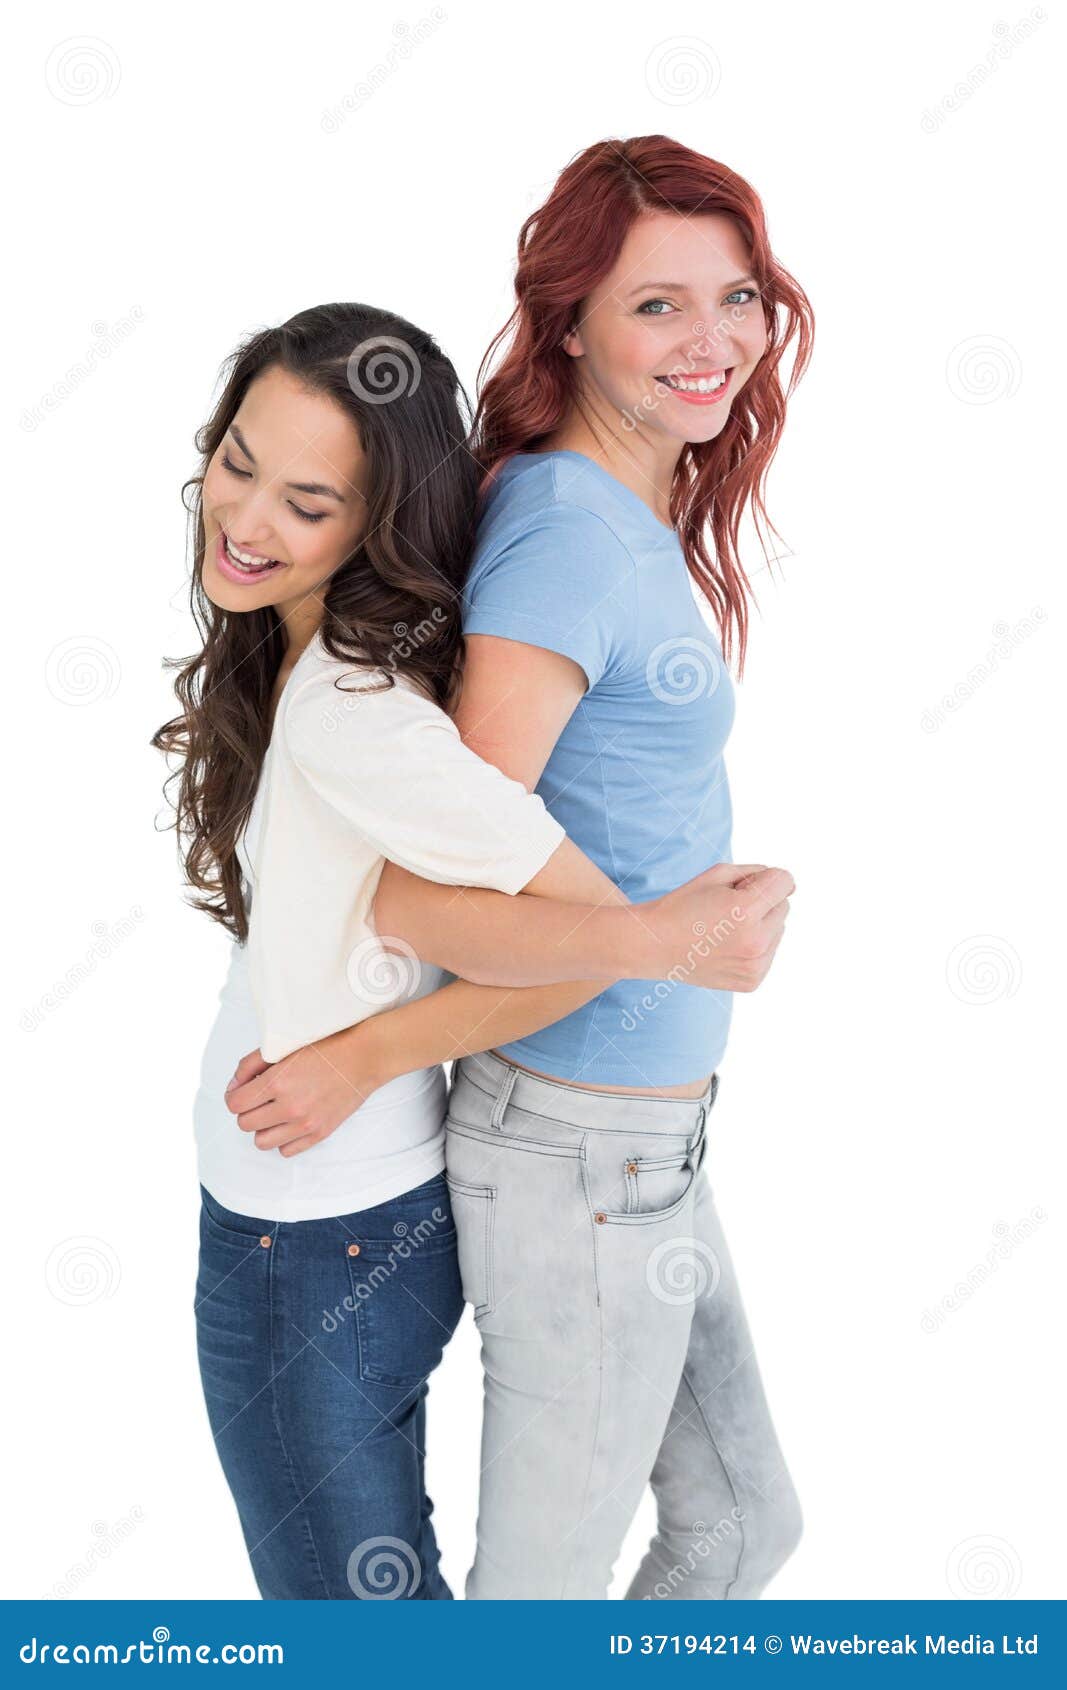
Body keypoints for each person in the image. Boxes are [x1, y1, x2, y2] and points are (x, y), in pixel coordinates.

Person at [235, 134, 813, 1600]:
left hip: (644, 1146)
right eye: (657, 306)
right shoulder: (561, 540)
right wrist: (669, 946)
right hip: (576, 1156)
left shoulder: (624, 506)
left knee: (745, 1524)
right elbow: (424, 894)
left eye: (735, 295)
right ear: (569, 324)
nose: (716, 340)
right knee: (533, 1612)